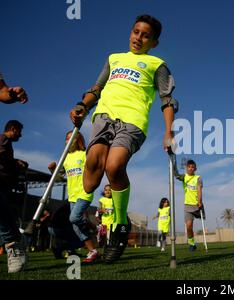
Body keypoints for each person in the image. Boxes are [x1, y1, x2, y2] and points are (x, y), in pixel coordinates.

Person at [69, 14, 178, 263]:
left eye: (145, 35)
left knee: (114, 166)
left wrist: (168, 131)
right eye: (136, 31)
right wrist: (81, 107)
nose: (138, 38)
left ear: (154, 42)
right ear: (130, 32)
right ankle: (81, 217)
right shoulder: (113, 58)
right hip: (103, 117)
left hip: (133, 122)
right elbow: (96, 88)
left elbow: (168, 99)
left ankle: (119, 226)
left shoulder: (157, 64)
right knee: (94, 166)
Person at [48, 131, 100, 263]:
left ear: (78, 140)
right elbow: (60, 178)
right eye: (66, 139)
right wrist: (53, 170)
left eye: (72, 138)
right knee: (75, 226)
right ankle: (93, 251)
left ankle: (93, 227)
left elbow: (94, 169)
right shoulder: (65, 158)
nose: (68, 141)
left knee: (74, 218)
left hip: (84, 192)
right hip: (72, 196)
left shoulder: (84, 154)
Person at [0, 120, 28, 273]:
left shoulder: (6, 143)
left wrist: (15, 163)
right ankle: (14, 241)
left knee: (5, 216)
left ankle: (14, 242)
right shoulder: (3, 139)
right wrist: (15, 163)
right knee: (4, 216)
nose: (21, 135)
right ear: (13, 128)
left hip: (4, 186)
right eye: (19, 131)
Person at [174, 159, 203, 252]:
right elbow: (177, 175)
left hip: (197, 204)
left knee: (203, 219)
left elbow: (199, 190)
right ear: (186, 168)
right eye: (189, 167)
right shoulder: (184, 177)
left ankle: (202, 213)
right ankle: (192, 244)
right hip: (187, 206)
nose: (190, 168)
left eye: (192, 167)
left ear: (195, 169)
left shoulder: (198, 178)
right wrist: (174, 165)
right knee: (189, 226)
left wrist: (199, 201)